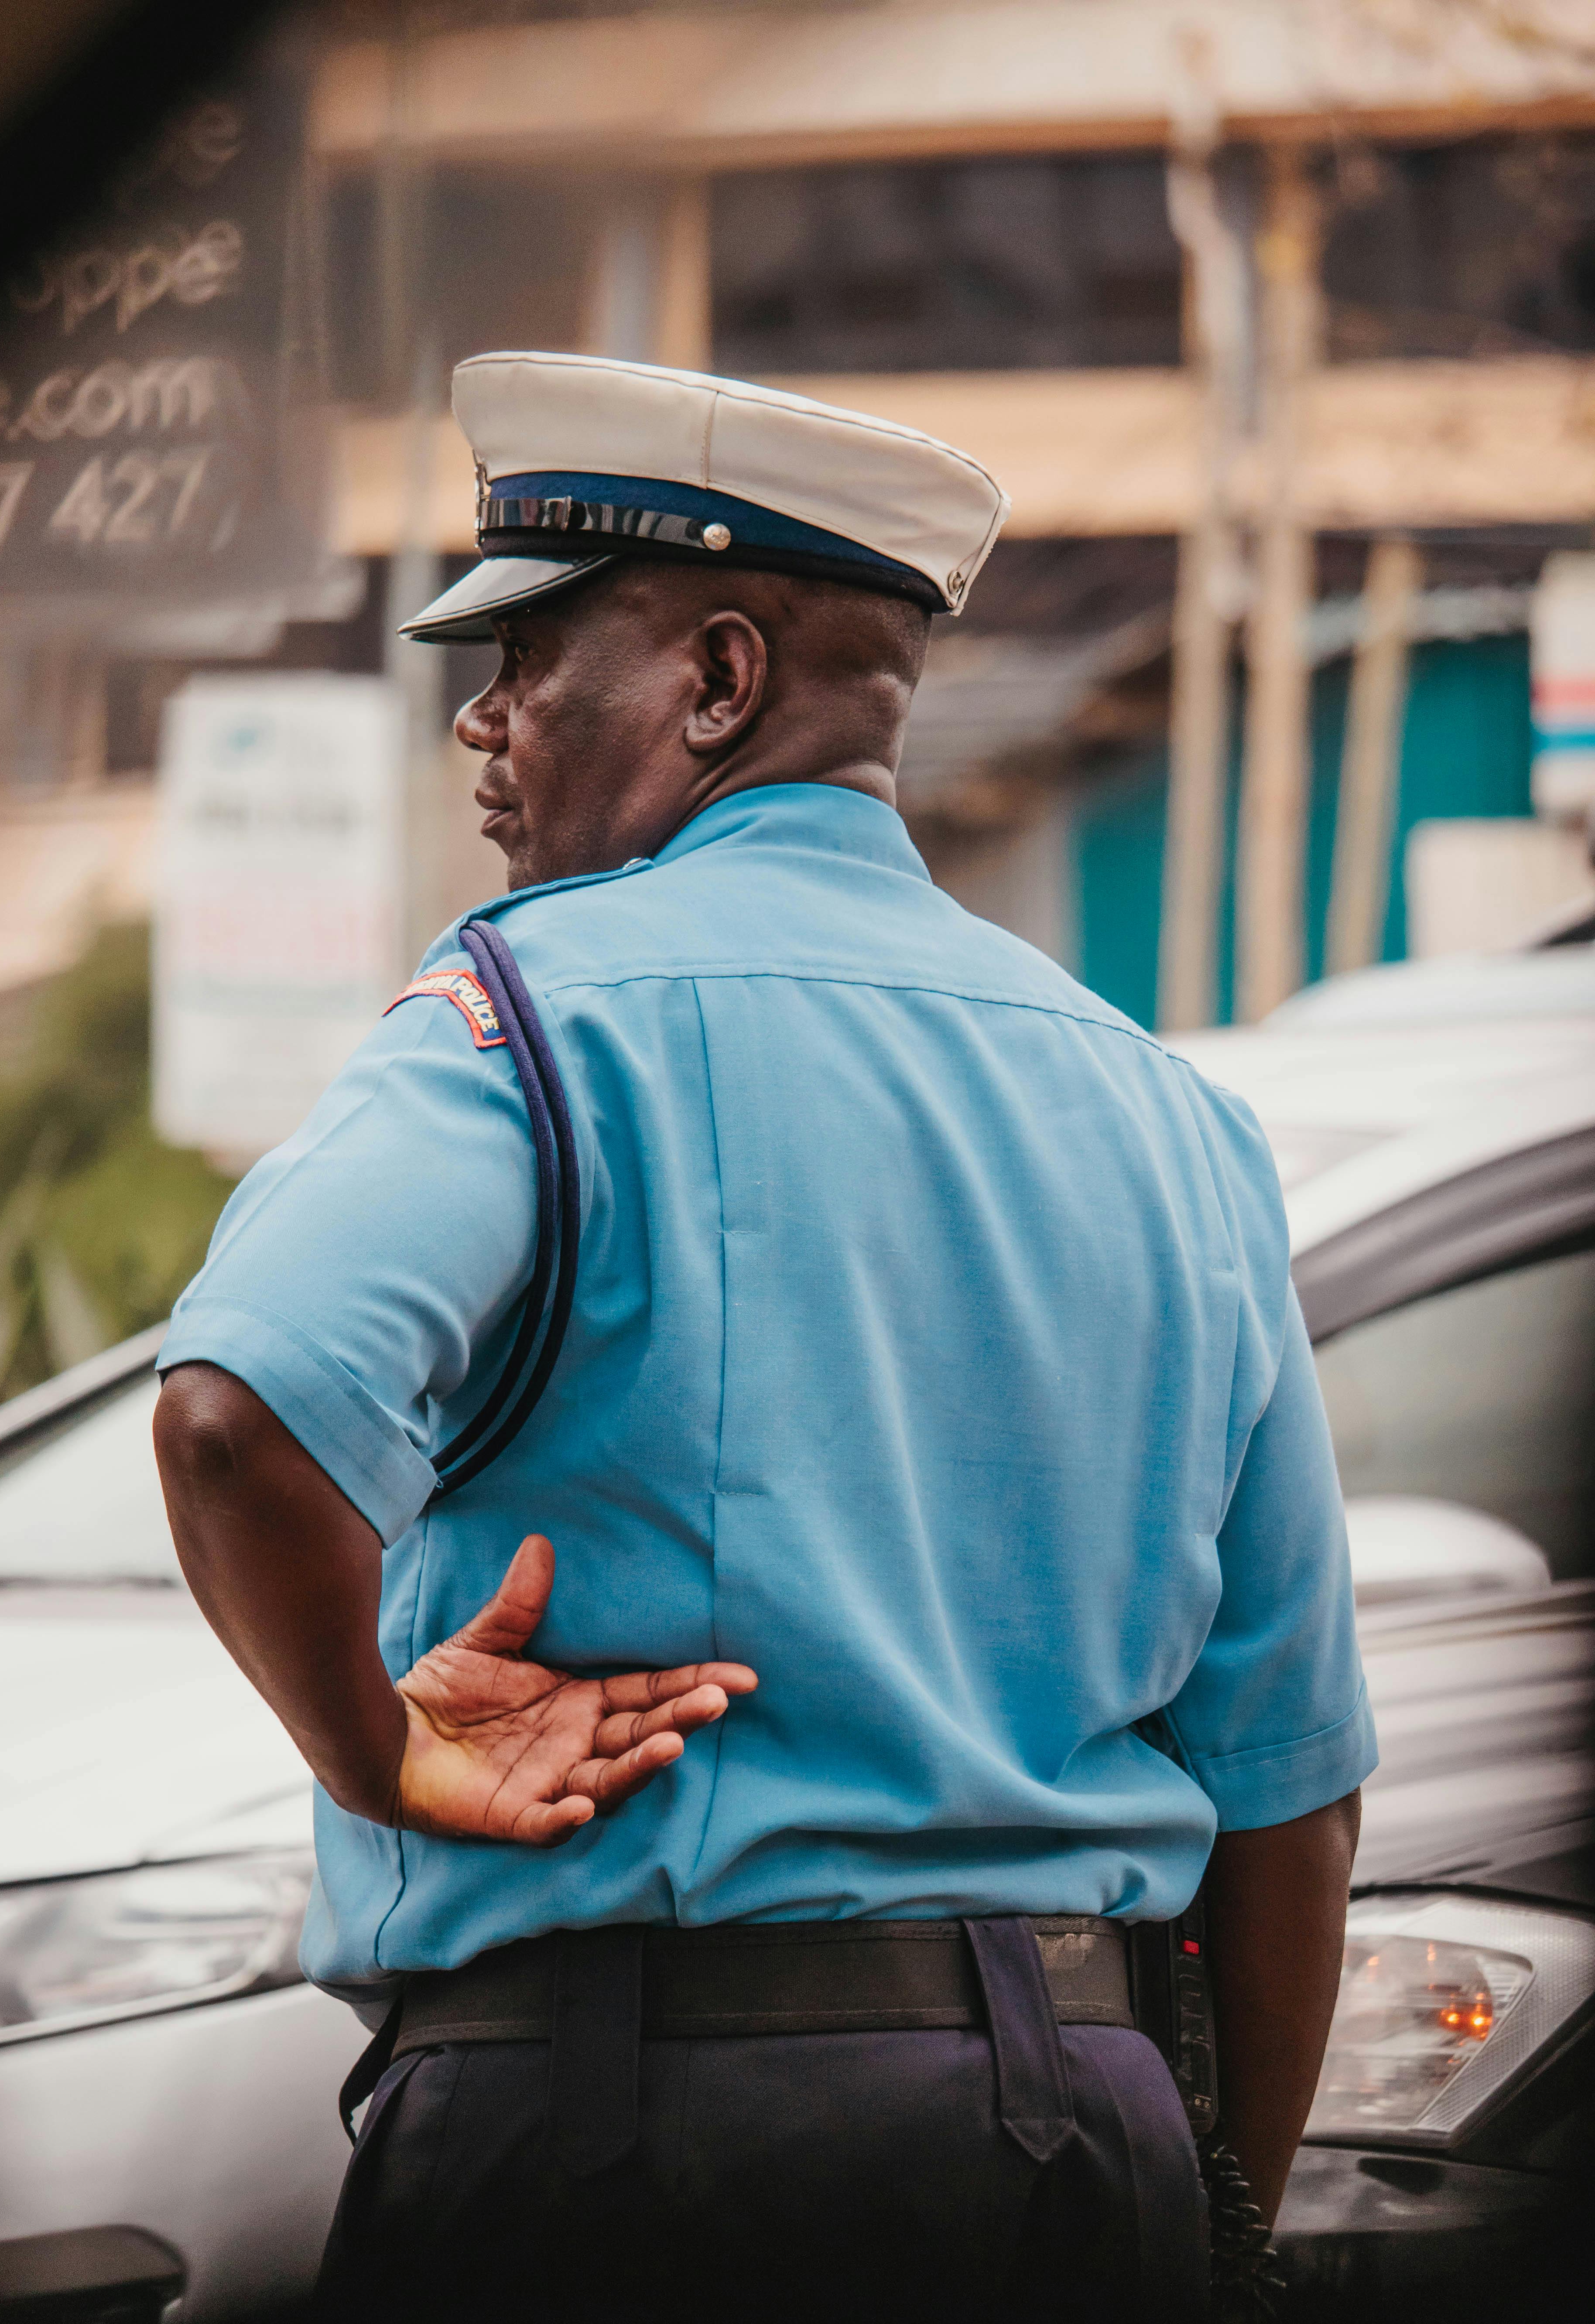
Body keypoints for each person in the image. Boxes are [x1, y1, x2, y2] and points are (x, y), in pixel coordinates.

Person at [153, 351, 1373, 2322]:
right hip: (1089, 2135)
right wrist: (1214, 2221)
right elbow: (1291, 1798)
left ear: (718, 683)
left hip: (628, 2145)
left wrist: (384, 1757)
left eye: (528, 656)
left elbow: (232, 1419)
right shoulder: (1168, 1111)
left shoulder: (535, 1022)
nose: (483, 720)